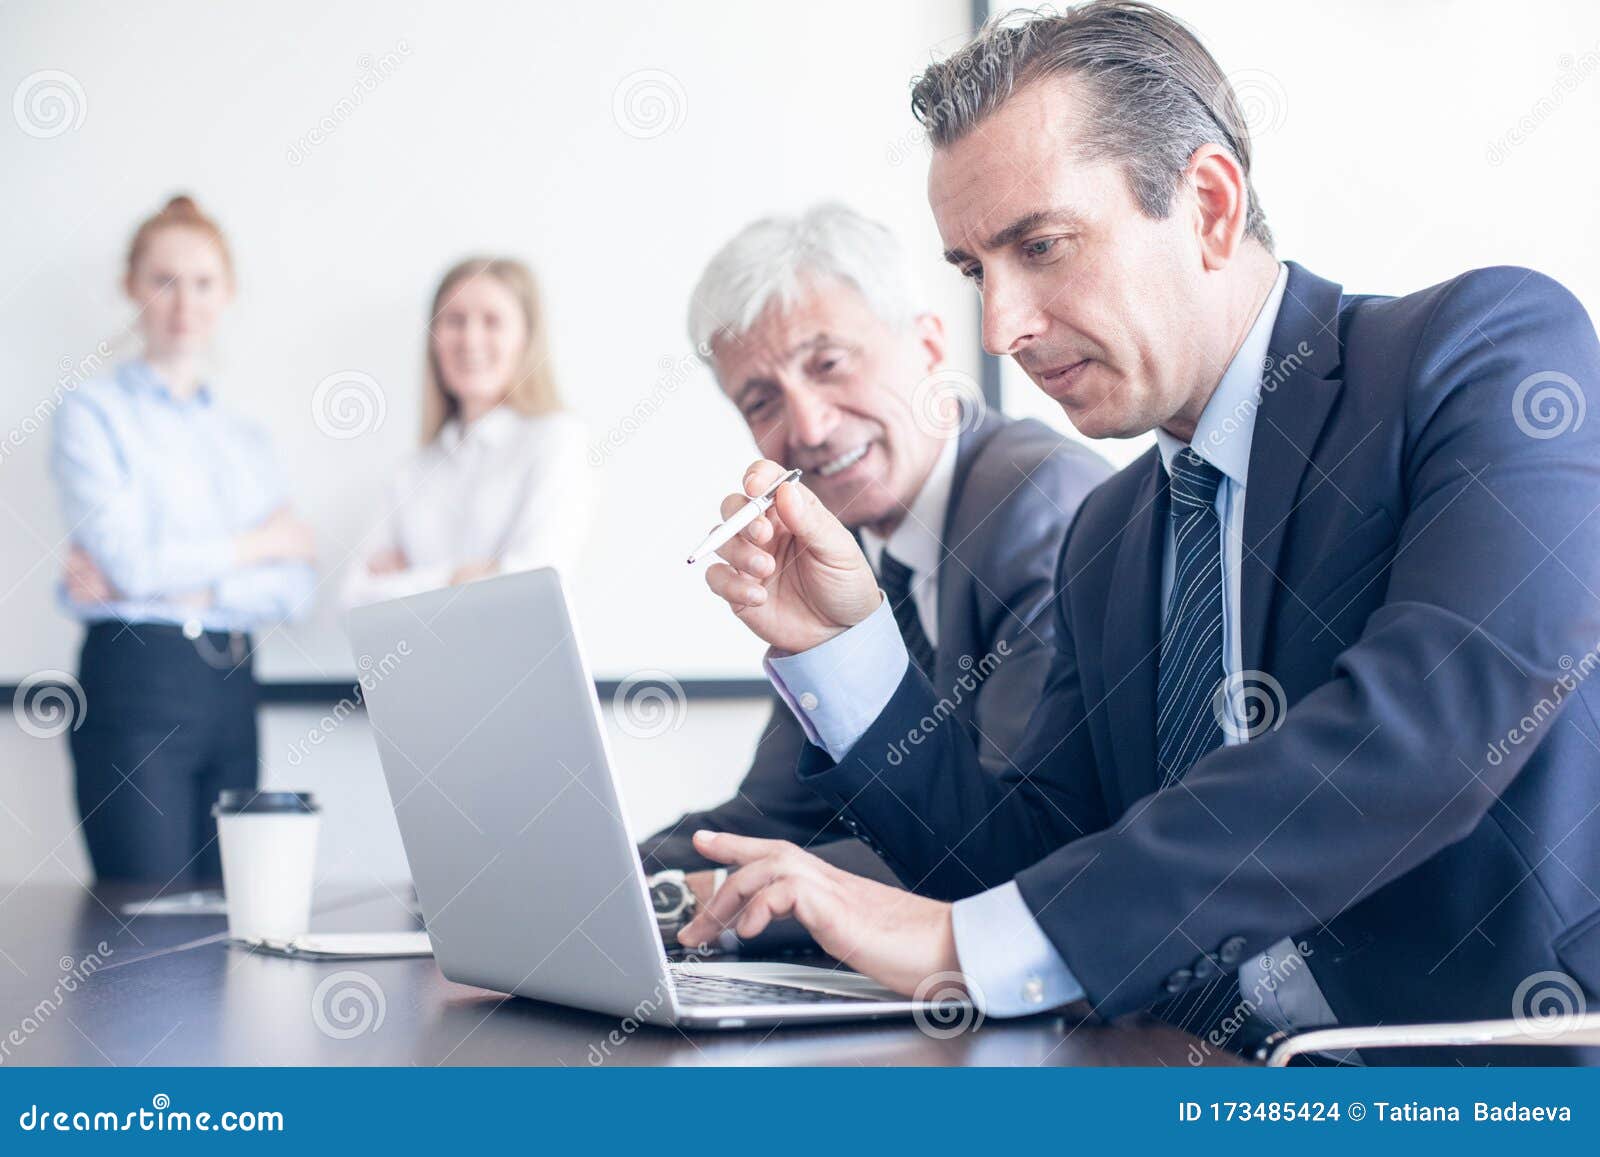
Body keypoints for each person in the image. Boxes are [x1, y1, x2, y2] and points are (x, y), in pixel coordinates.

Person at [679, 3, 1600, 1062]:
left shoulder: (1484, 354)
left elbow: (1423, 731)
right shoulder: (1110, 533)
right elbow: (1029, 871)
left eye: (1041, 246)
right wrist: (845, 649)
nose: (1001, 329)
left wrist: (958, 941)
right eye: (976, 270)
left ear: (1208, 206)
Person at [637, 205, 1110, 934]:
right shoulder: (844, 547)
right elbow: (773, 816)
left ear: (928, 345)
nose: (809, 427)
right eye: (761, 401)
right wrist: (606, 879)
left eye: (829, 364)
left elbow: (1012, 855)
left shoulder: (1039, 507)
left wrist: (698, 899)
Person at [52, 194, 317, 886]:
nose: (184, 303)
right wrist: (258, 545)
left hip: (233, 690)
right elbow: (131, 564)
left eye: (203, 282)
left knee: (234, 916)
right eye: (163, 280)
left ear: (227, 293)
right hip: (137, 684)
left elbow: (296, 589)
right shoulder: (92, 413)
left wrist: (177, 582)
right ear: (130, 286)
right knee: (146, 922)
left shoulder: (247, 439)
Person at [341, 257, 589, 606]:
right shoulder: (409, 472)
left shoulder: (558, 441)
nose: (470, 340)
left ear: (526, 338)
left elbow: (535, 587)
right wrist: (457, 577)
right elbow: (355, 599)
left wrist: (407, 584)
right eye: (455, 321)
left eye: (492, 321)